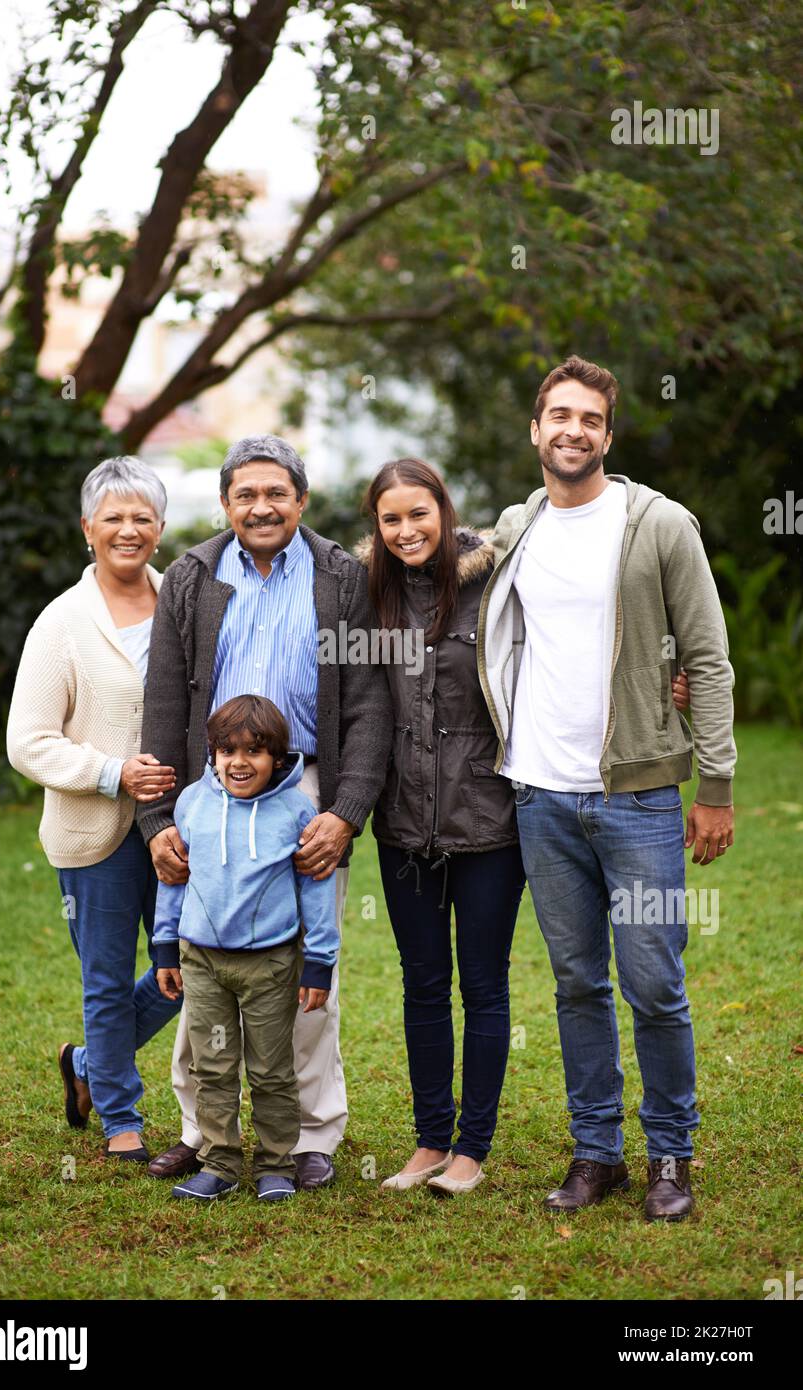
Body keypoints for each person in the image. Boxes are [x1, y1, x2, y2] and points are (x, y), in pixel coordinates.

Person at [477, 355, 735, 1221]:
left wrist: (717, 785)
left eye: (588, 418)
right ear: (535, 430)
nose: (572, 430)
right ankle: (597, 1152)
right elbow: (428, 571)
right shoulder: (516, 528)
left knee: (654, 981)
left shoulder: (658, 525)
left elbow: (706, 658)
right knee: (576, 982)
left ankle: (670, 1155)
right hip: (538, 798)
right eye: (558, 415)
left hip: (641, 801)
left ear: (607, 435)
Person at [137, 435, 391, 1188]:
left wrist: (343, 813)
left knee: (309, 969)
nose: (261, 507)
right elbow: (162, 704)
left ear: (301, 500)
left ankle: (310, 1135)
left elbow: (370, 706)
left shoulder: (340, 578)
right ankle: (201, 1130)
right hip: (210, 794)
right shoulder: (190, 577)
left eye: (276, 493)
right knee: (203, 958)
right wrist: (159, 823)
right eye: (245, 495)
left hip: (305, 793)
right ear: (225, 504)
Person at [357, 458, 526, 1195]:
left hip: (488, 820)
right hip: (402, 827)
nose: (405, 531)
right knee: (421, 981)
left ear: (444, 512)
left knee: (482, 984)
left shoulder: (494, 585)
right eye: (390, 519)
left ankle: (471, 1149)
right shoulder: (370, 595)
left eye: (418, 515)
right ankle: (429, 1141)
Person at [6, 456, 182, 1161]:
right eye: (113, 517)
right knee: (106, 979)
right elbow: (27, 742)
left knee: (187, 966)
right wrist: (111, 772)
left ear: (161, 529)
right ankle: (120, 1119)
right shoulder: (63, 623)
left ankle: (85, 1066)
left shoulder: (183, 604)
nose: (128, 529)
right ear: (88, 528)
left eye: (142, 516)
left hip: (174, 827)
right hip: (95, 832)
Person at [153, 695, 338, 1202]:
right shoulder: (192, 802)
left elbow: (316, 889)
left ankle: (276, 1165)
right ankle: (219, 1164)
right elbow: (174, 879)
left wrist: (319, 962)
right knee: (212, 1065)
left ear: (277, 758)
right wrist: (164, 947)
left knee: (271, 1070)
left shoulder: (298, 808)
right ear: (212, 753)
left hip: (272, 965)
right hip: (203, 962)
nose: (239, 763)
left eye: (254, 752)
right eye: (226, 751)